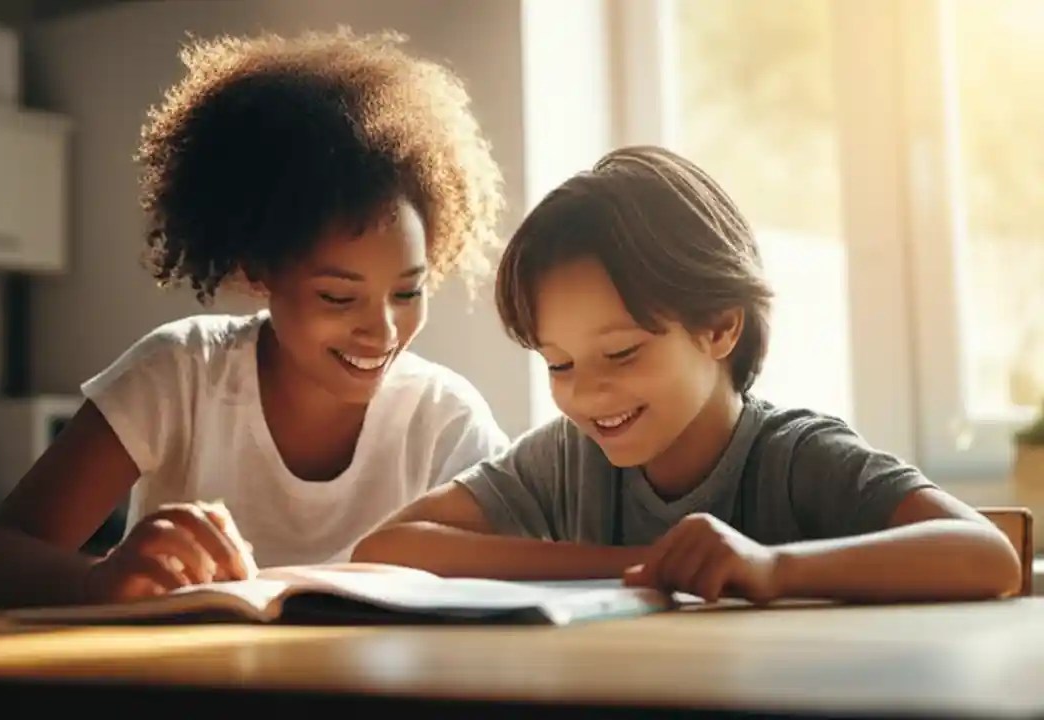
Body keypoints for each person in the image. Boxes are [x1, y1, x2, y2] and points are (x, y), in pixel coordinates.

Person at [0, 28, 509, 608]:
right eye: (338, 299)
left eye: (407, 292)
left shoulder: (445, 420)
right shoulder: (179, 375)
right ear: (257, 271)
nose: (384, 331)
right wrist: (99, 579)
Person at [353, 145, 1022, 604]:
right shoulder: (567, 459)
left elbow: (988, 555)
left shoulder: (794, 457)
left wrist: (771, 567)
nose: (585, 394)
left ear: (720, 328)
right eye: (558, 364)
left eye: (621, 354)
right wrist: (637, 566)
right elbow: (389, 549)